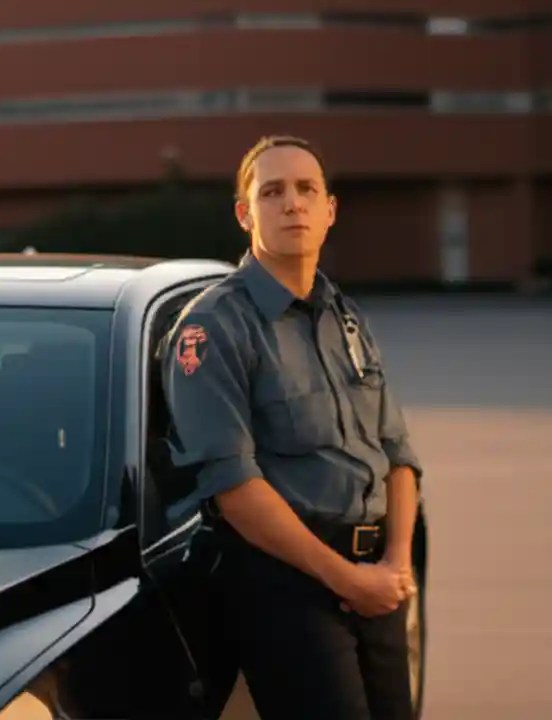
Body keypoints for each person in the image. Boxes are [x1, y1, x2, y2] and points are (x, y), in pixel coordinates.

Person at [160, 135, 424, 720]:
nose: (292, 204)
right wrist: (348, 581)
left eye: (307, 190)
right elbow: (235, 489)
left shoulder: (345, 316)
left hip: (377, 578)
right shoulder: (214, 327)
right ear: (244, 213)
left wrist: (396, 564)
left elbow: (398, 453)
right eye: (272, 191)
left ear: (330, 210)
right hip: (289, 587)